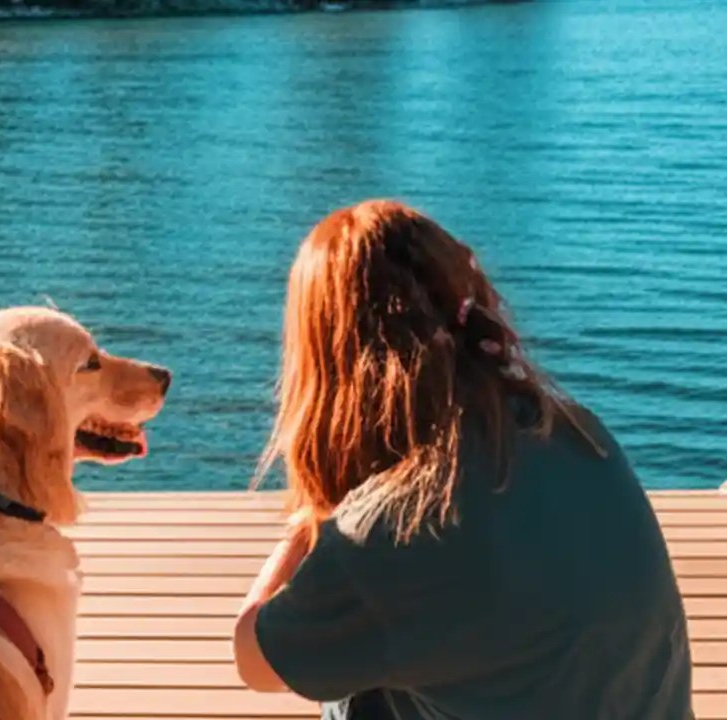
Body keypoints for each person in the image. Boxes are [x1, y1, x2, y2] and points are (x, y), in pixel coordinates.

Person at [232, 200, 693, 719]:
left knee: (349, 687)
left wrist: (314, 521)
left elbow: (254, 658)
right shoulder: (577, 432)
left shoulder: (392, 528)